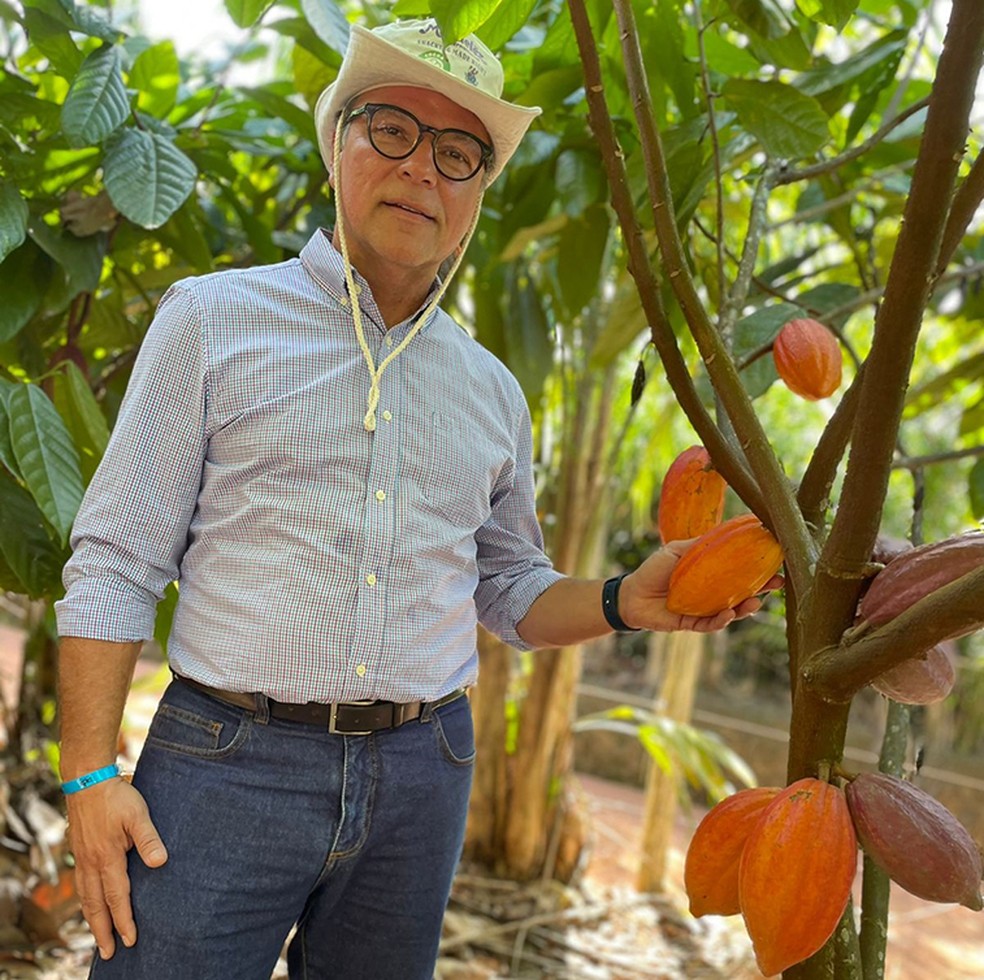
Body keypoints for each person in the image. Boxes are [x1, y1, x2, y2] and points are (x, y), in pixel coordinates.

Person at [54, 18, 774, 980]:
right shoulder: (211, 320)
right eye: (390, 129)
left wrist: (620, 601)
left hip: (421, 775)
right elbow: (115, 560)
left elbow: (509, 590)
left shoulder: (490, 390)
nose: (421, 169)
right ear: (336, 143)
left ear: (478, 193)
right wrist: (90, 776)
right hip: (227, 764)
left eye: (458, 153)